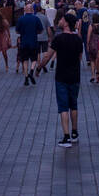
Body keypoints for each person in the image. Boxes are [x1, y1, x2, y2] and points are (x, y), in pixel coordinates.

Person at [38, 11, 84, 147]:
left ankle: (66, 136)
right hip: (75, 75)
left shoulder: (58, 39)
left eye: (62, 19)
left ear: (66, 23)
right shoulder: (78, 39)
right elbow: (80, 57)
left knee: (63, 106)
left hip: (62, 76)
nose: (60, 21)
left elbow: (48, 56)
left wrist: (40, 67)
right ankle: (75, 132)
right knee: (73, 104)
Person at [16, 3, 42, 85]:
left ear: (25, 10)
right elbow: (40, 30)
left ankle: (26, 77)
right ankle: (31, 71)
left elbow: (17, 31)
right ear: (32, 10)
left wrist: (22, 32)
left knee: (25, 60)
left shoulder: (21, 19)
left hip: (24, 42)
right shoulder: (36, 19)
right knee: (34, 59)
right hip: (33, 41)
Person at [87, 14, 99, 82]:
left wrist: (87, 45)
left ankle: (93, 75)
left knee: (92, 60)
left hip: (92, 45)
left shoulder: (91, 26)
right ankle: (98, 75)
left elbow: (88, 36)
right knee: (98, 60)